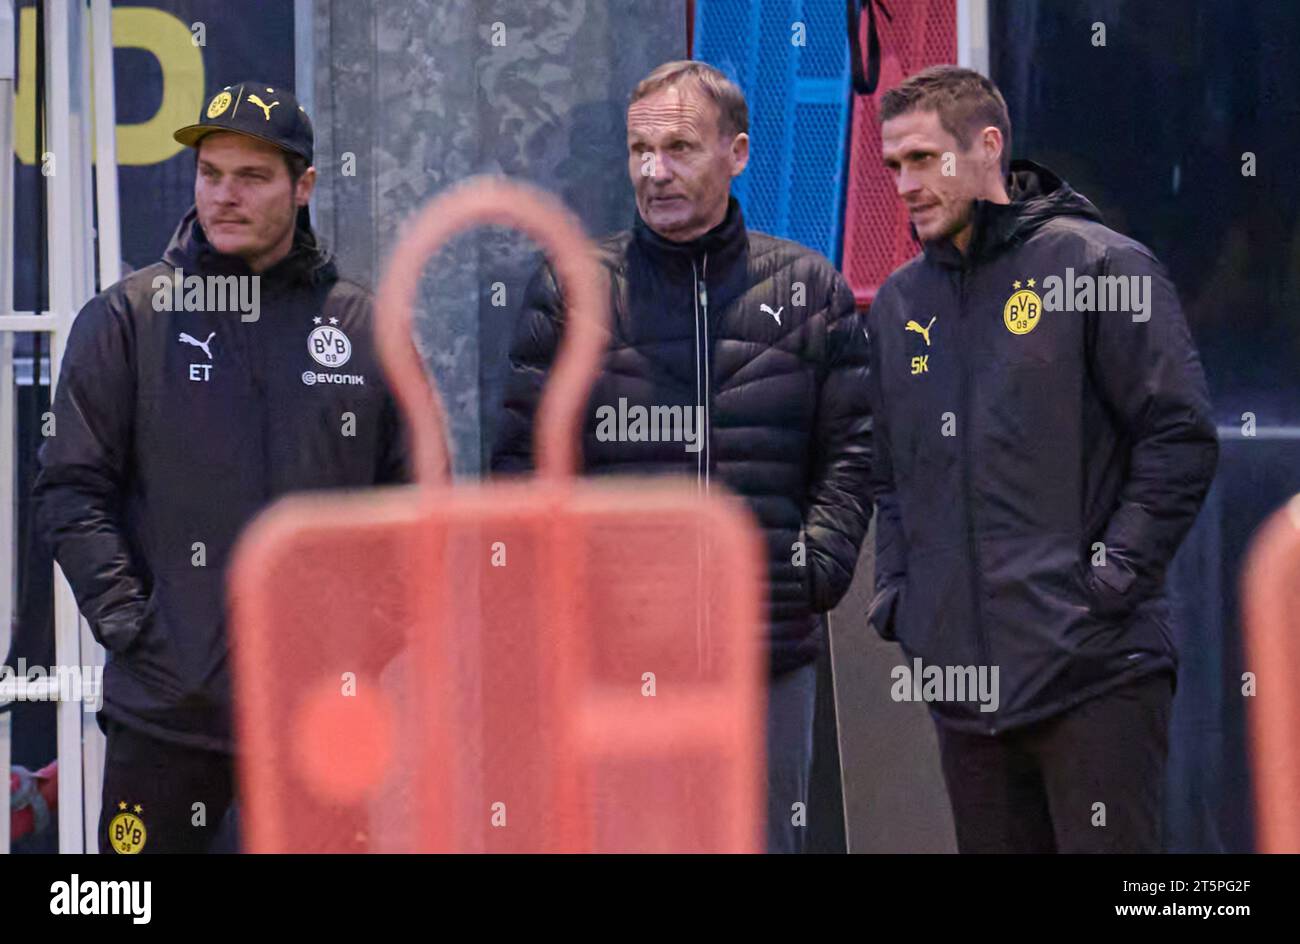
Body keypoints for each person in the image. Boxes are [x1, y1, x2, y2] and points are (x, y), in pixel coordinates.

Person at [491, 61, 873, 853]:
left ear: (736, 154)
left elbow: (854, 450)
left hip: (766, 655)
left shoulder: (809, 289)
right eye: (639, 150)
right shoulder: (573, 289)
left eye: (678, 148)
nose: (653, 171)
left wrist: (814, 569)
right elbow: (521, 471)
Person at [35, 80, 408, 854]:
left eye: (252, 177)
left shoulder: (363, 327)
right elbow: (72, 489)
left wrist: (365, 640)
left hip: (321, 720)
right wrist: (133, 624)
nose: (225, 196)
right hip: (166, 714)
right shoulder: (128, 319)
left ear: (303, 186)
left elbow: (414, 509)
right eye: (211, 174)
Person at [868, 65, 1218, 853]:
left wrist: (1108, 580)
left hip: (1094, 672)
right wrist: (903, 596)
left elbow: (1179, 437)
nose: (905, 184)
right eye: (894, 166)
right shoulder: (898, 305)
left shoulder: (1098, 268)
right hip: (964, 687)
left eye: (924, 159)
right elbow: (889, 473)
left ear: (988, 146)